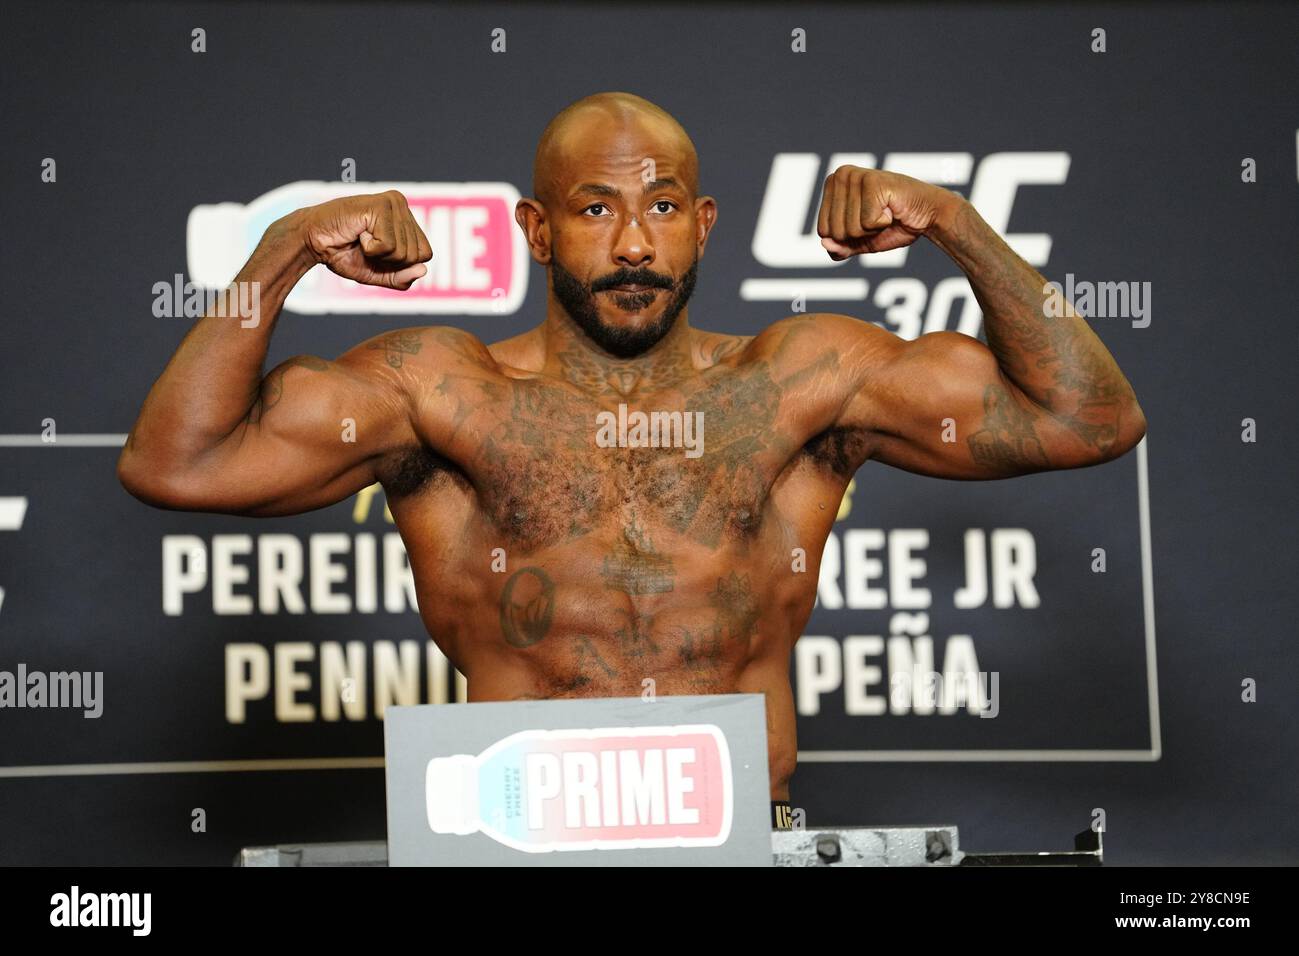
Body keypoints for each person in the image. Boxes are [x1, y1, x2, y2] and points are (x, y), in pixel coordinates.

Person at [118, 92, 1145, 828]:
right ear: (536, 228)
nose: (633, 245)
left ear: (702, 227)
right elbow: (179, 461)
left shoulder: (796, 380)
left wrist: (956, 223)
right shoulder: (437, 388)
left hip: (744, 839)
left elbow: (1090, 419)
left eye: (660, 207)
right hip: (506, 841)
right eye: (595, 207)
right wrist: (287, 245)